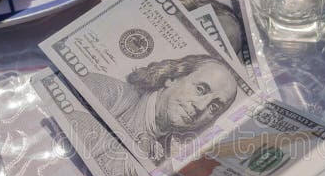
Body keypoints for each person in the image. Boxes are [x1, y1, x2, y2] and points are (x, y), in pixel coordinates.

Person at [84, 54, 239, 166]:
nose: (201, 107)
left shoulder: (165, 164)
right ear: (172, 78)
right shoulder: (105, 91)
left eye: (214, 107)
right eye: (200, 89)